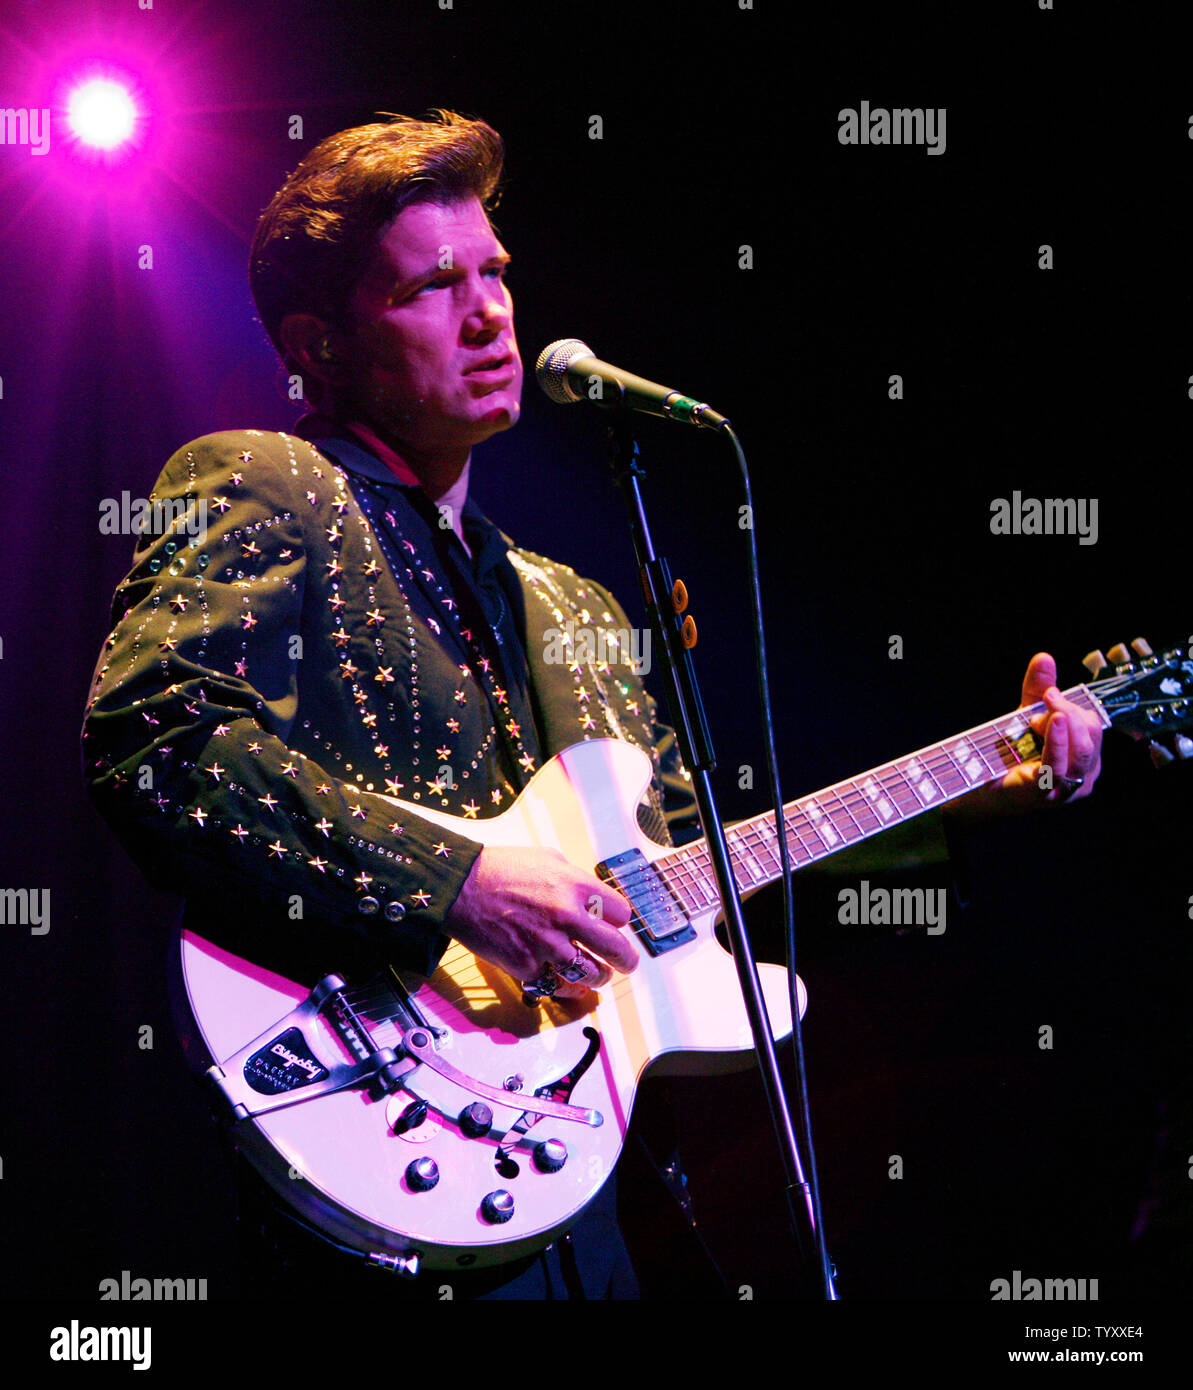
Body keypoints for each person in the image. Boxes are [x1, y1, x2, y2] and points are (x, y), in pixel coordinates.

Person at [81, 109, 1103, 1299]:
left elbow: (697, 869)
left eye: (494, 273)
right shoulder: (270, 481)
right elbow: (157, 740)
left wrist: (980, 789)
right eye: (431, 288)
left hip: (574, 1178)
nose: (488, 314)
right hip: (371, 1136)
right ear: (321, 344)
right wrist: (459, 882)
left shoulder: (567, 602)